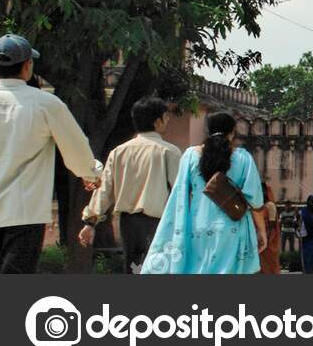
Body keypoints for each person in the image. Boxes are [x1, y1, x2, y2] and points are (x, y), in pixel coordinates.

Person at [0, 34, 101, 274]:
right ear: (28, 66)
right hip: (24, 215)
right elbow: (76, 149)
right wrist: (91, 174)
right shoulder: (46, 104)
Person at [143, 111, 265, 274]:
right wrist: (261, 230)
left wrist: (176, 228)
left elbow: (180, 194)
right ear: (232, 132)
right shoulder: (243, 158)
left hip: (197, 227)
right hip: (233, 227)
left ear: (207, 130)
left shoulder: (190, 155)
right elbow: (255, 200)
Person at [77, 95, 180, 273]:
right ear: (157, 121)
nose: (168, 120)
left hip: (127, 224)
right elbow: (181, 191)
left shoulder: (119, 152)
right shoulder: (169, 152)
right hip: (159, 223)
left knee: (133, 268)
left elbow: (104, 190)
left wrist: (90, 222)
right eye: (165, 116)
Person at [256, 195, 282, 274]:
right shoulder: (258, 205)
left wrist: (267, 238)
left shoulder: (270, 205)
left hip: (268, 237)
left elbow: (271, 224)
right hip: (260, 236)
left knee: (269, 262)